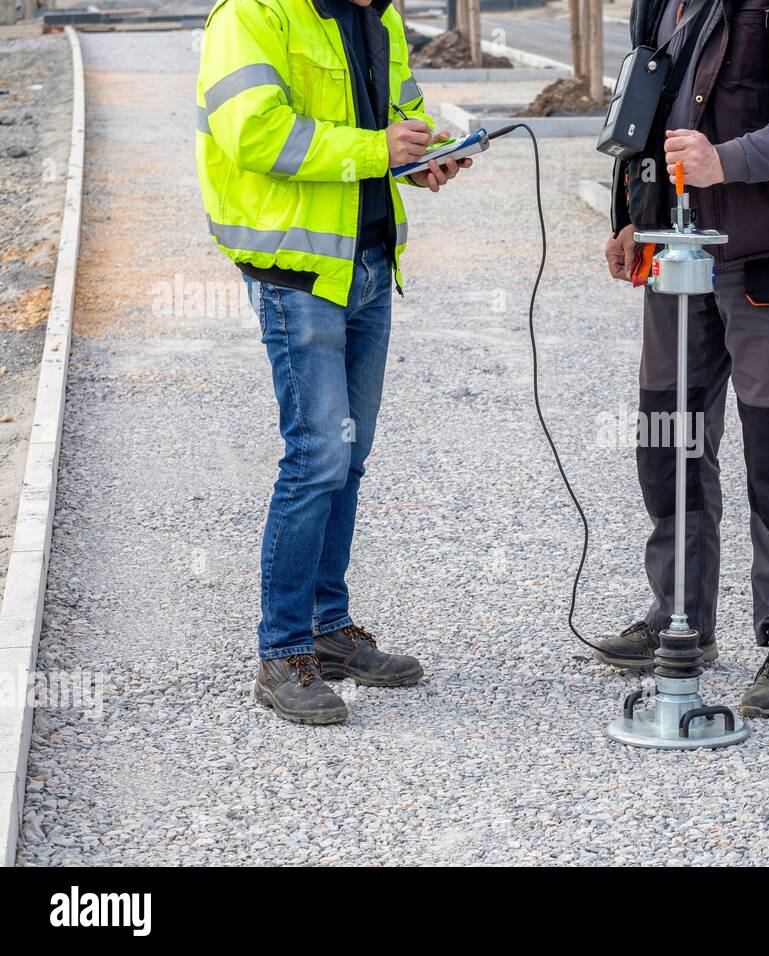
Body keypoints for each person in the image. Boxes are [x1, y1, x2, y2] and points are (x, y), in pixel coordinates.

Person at [597, 0, 769, 718]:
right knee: (667, 442)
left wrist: (728, 161)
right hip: (678, 251)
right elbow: (648, 104)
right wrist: (630, 212)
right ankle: (679, 614)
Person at [196, 0, 470, 724]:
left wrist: (427, 158)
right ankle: (282, 652)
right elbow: (256, 134)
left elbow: (398, 120)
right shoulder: (251, 16)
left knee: (347, 459)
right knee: (316, 457)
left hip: (369, 265)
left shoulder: (377, 20)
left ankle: (329, 629)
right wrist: (383, 151)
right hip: (299, 273)